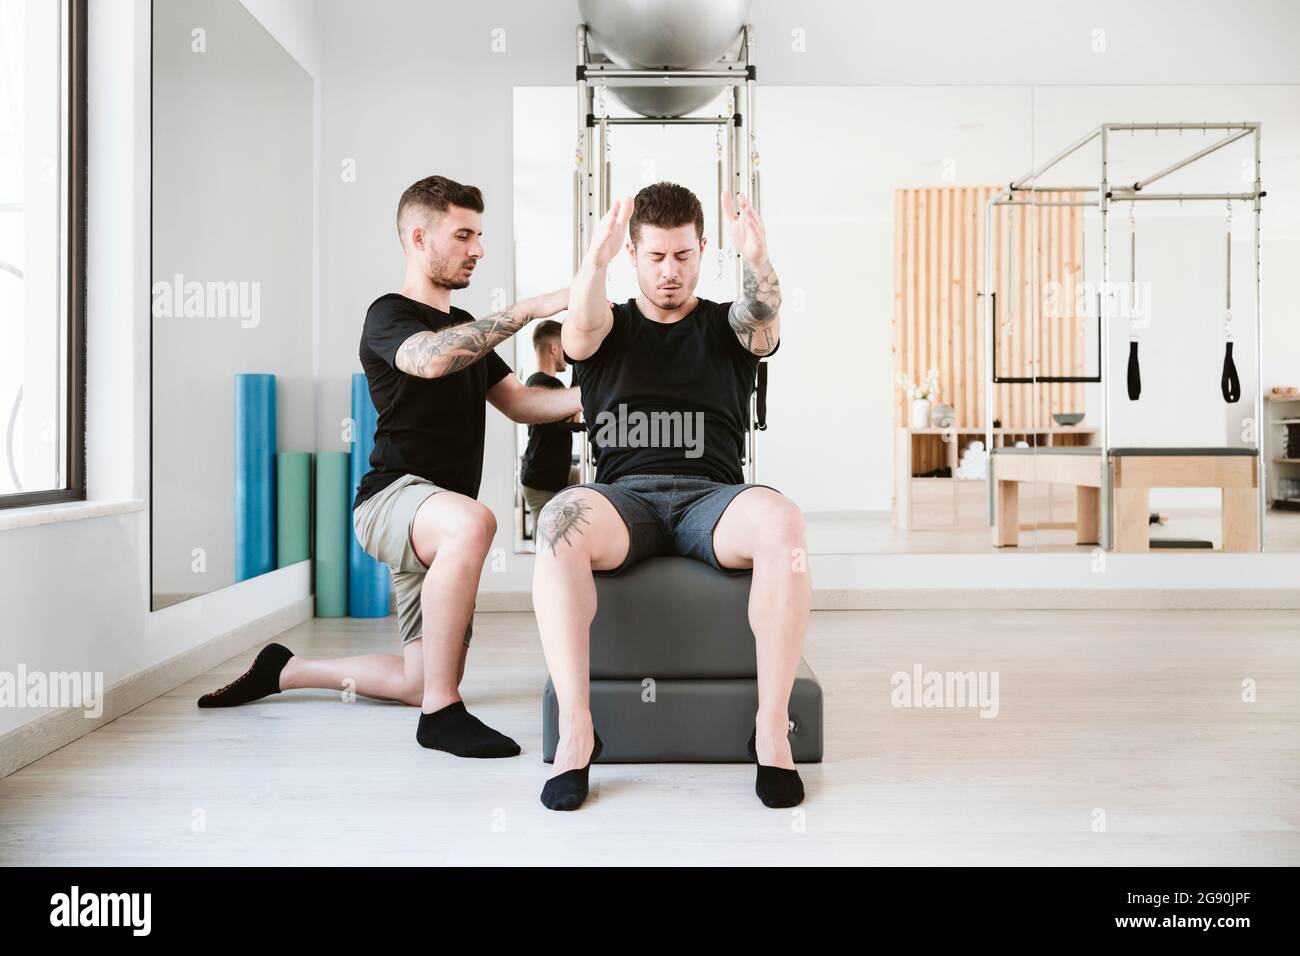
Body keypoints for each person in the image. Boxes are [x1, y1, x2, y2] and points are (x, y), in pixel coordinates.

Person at [198, 175, 580, 761]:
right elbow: (427, 361)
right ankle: (443, 715)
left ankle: (286, 670)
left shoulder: (469, 328)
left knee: (413, 679)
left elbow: (523, 403)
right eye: (464, 235)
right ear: (419, 237)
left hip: (438, 522)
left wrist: (598, 399)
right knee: (473, 524)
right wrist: (528, 310)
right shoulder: (388, 315)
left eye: (480, 235)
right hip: (391, 501)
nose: (478, 249)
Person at [532, 182, 809, 810]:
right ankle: (579, 732)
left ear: (702, 249)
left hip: (712, 499)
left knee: (784, 521)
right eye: (655, 256)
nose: (669, 271)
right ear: (634, 254)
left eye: (683, 256)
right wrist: (594, 261)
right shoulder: (609, 325)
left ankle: (770, 733)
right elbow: (579, 328)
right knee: (557, 521)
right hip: (623, 498)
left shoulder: (724, 324)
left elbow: (761, 322)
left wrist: (759, 261)